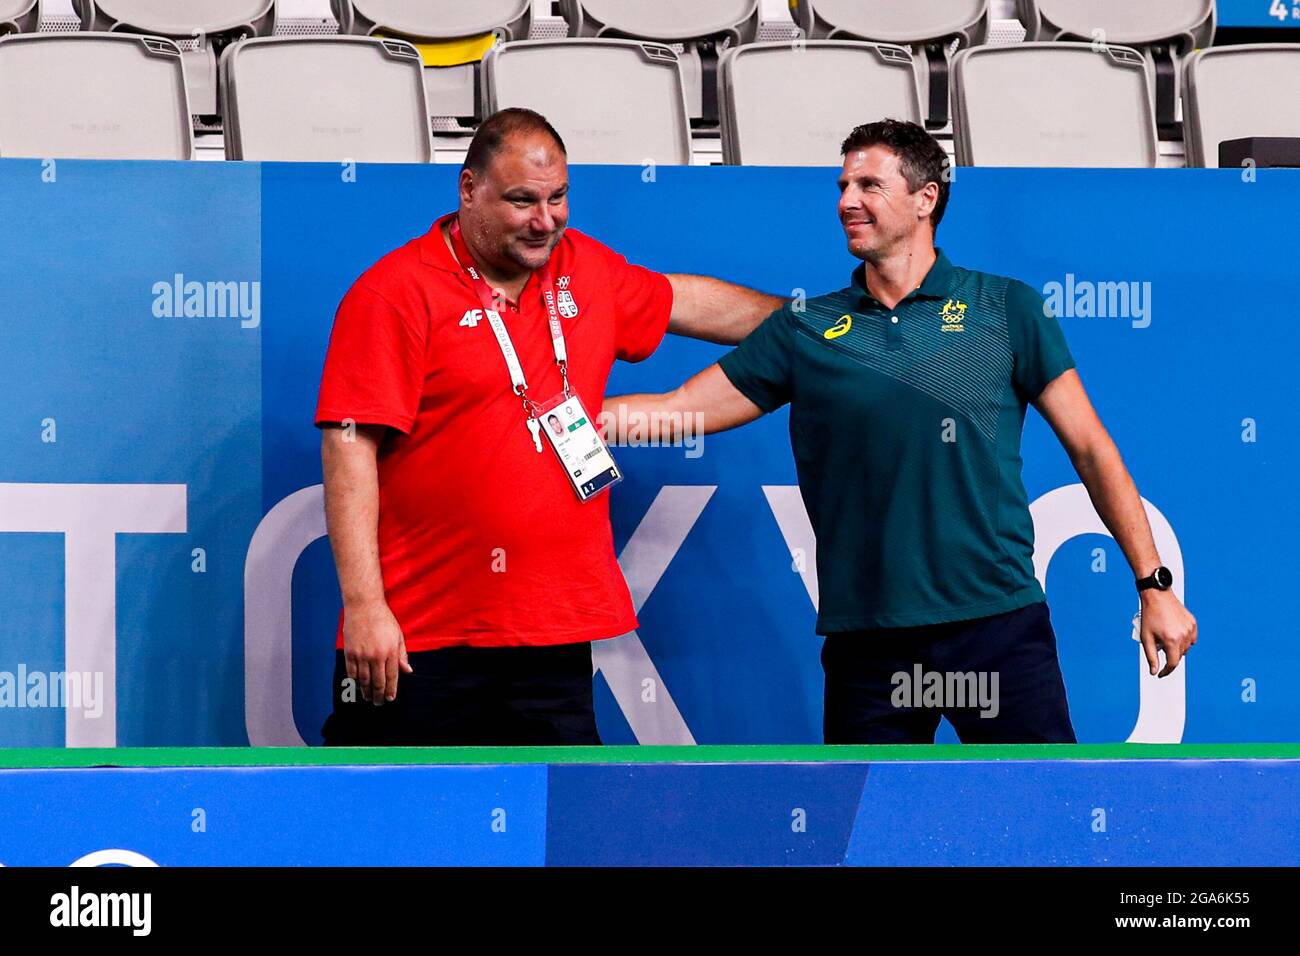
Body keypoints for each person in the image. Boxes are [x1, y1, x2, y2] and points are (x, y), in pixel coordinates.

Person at [604, 119, 1197, 744]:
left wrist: (1154, 585)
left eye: (868, 185)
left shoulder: (1008, 308)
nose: (846, 202)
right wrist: (559, 421)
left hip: (997, 626)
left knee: (1039, 827)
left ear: (925, 198)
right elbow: (679, 408)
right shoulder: (805, 329)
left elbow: (1091, 448)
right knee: (862, 839)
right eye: (841, 186)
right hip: (869, 642)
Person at [315, 108, 782, 745]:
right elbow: (349, 449)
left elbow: (689, 302)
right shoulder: (395, 291)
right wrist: (366, 607)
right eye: (522, 201)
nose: (546, 220)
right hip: (421, 637)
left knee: (557, 838)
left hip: (552, 636)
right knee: (401, 838)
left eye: (558, 197)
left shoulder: (584, 267)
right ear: (468, 189)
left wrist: (814, 323)